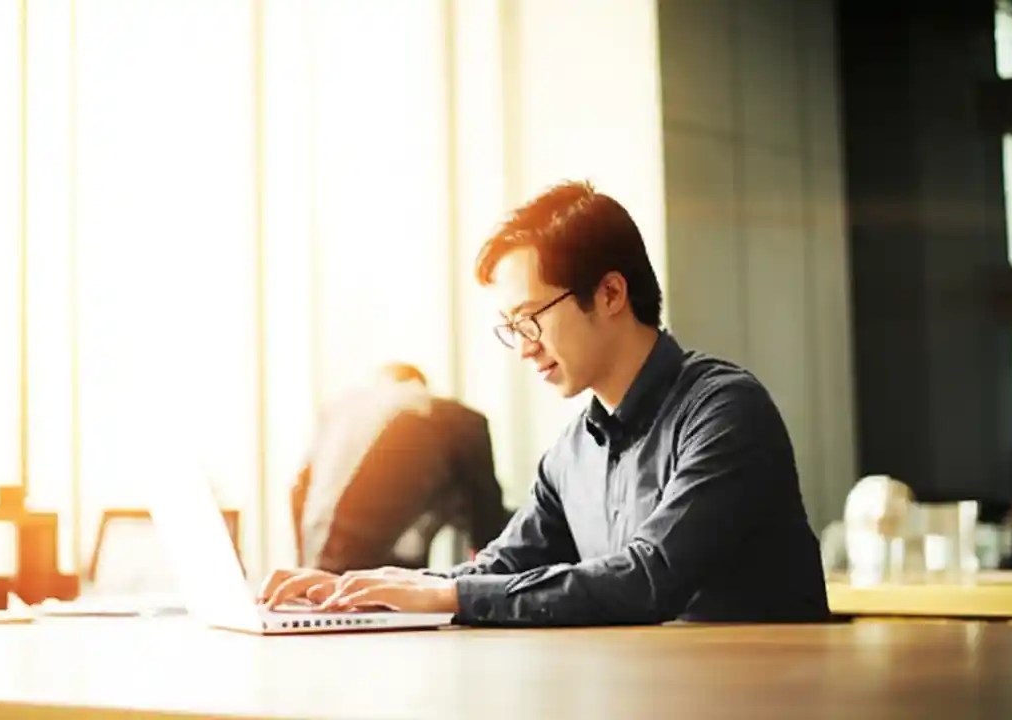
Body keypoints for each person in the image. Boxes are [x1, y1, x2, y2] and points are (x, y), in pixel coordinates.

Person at [261, 181, 829, 625]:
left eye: (531, 318)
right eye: (512, 327)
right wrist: (368, 590)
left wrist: (444, 592)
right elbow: (501, 567)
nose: (524, 347)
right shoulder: (572, 452)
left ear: (610, 294)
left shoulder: (724, 409)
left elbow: (649, 578)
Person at [291, 363, 511, 573]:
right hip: (367, 564)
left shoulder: (340, 412)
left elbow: (298, 489)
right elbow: (485, 507)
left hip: (319, 555)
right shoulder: (445, 414)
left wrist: (305, 562)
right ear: (419, 383)